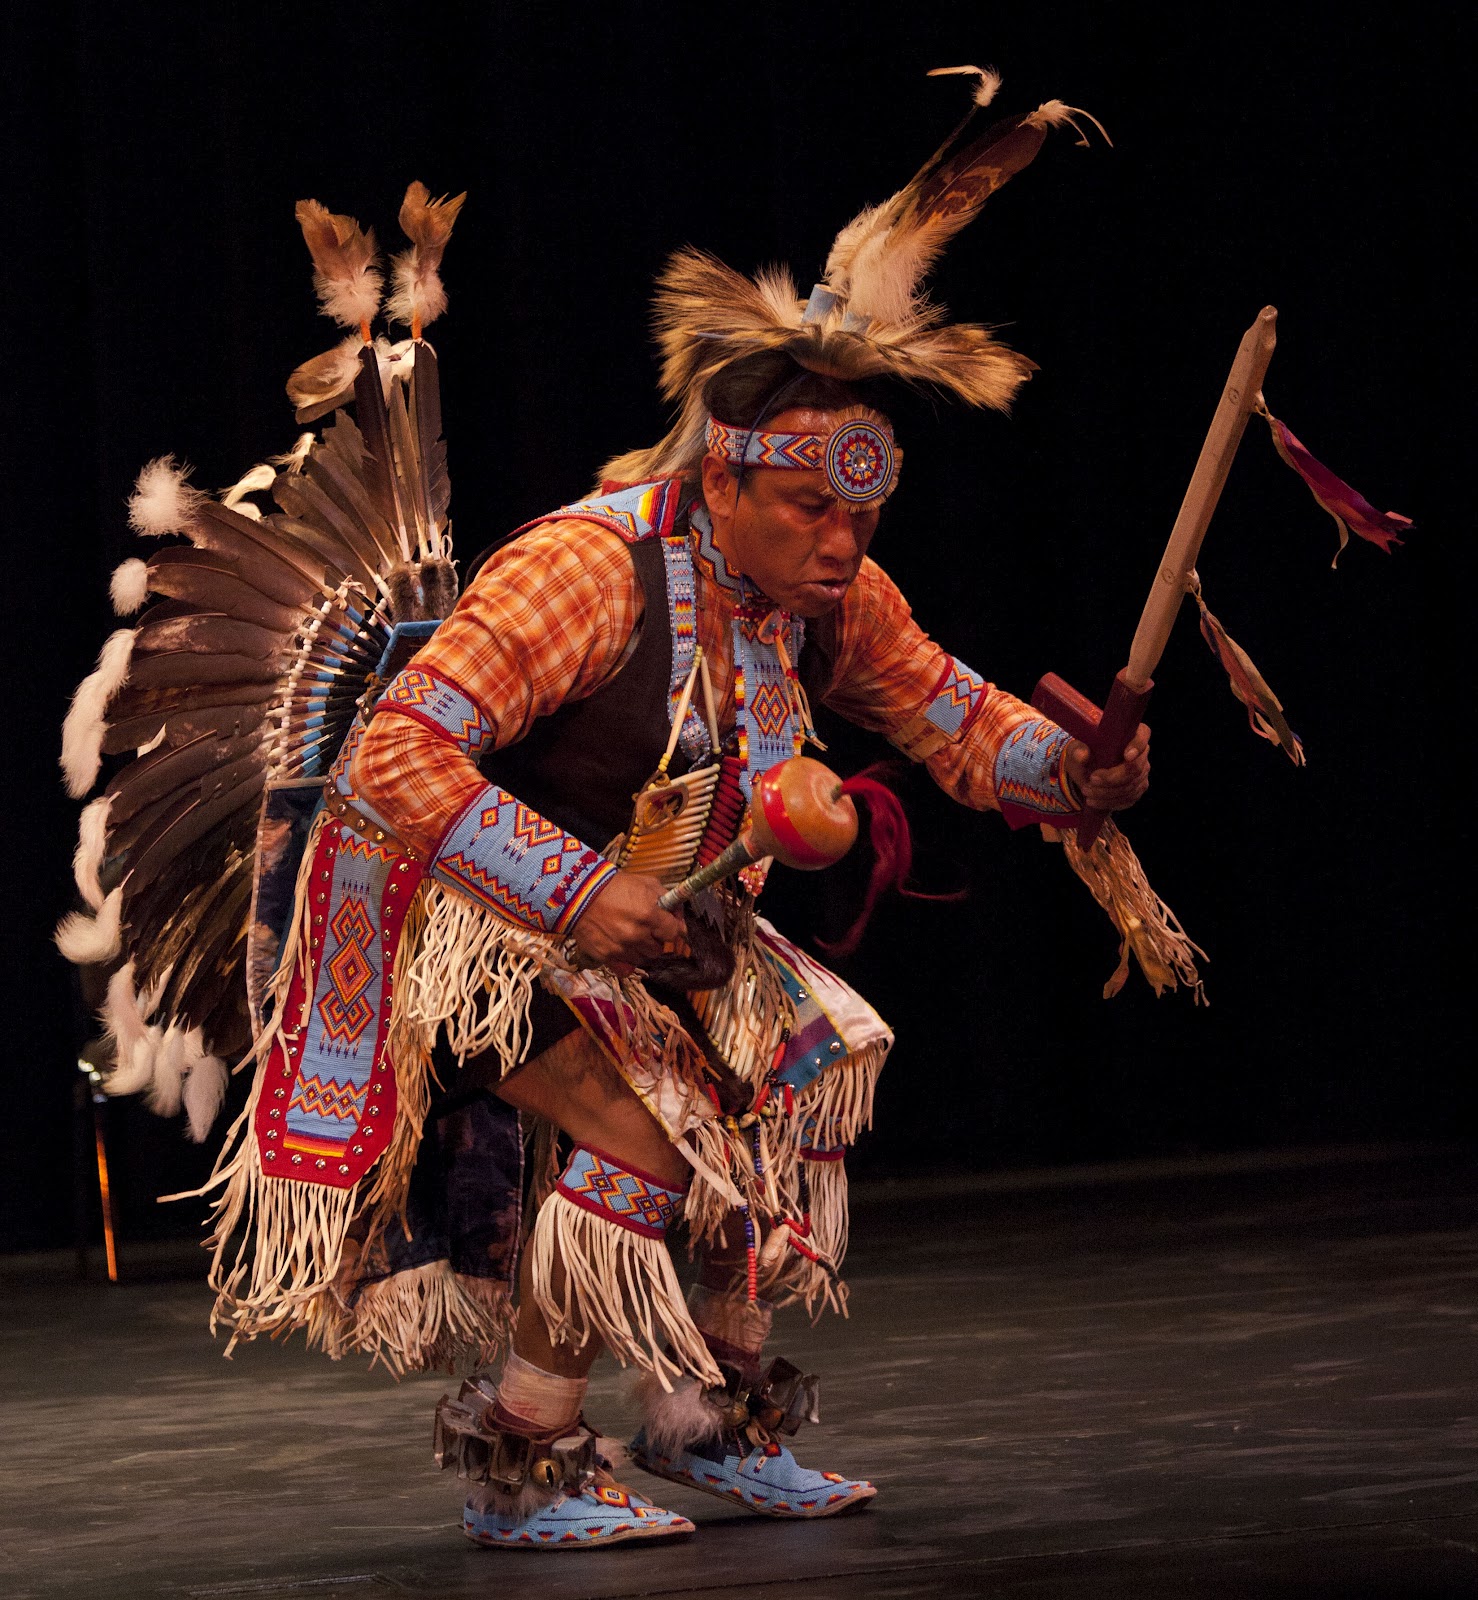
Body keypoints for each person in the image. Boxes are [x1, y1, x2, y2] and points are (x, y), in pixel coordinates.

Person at [335, 90, 1149, 1547]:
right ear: (725, 474)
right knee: (647, 1130)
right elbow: (393, 757)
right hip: (457, 919)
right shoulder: (584, 572)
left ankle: (707, 1418)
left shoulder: (827, 592)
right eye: (809, 517)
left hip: (657, 923)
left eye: (863, 522)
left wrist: (1069, 772)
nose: (841, 548)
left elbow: (952, 716)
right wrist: (575, 894)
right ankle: (524, 1452)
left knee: (784, 1082)